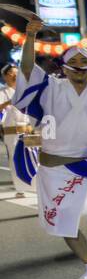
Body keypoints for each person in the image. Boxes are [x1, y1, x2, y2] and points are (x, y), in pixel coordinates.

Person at [13, 24, 87, 279]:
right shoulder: (50, 88)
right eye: (74, 64)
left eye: (85, 63)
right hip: (54, 169)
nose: (80, 68)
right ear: (65, 68)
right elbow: (26, 69)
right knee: (64, 224)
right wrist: (31, 36)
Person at [1, 62, 35, 197]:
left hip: (28, 129)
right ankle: (20, 188)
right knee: (16, 159)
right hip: (12, 131)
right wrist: (10, 101)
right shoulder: (3, 92)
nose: (14, 75)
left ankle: (34, 185)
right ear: (5, 77)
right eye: (11, 73)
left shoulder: (25, 90)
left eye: (16, 72)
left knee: (32, 158)